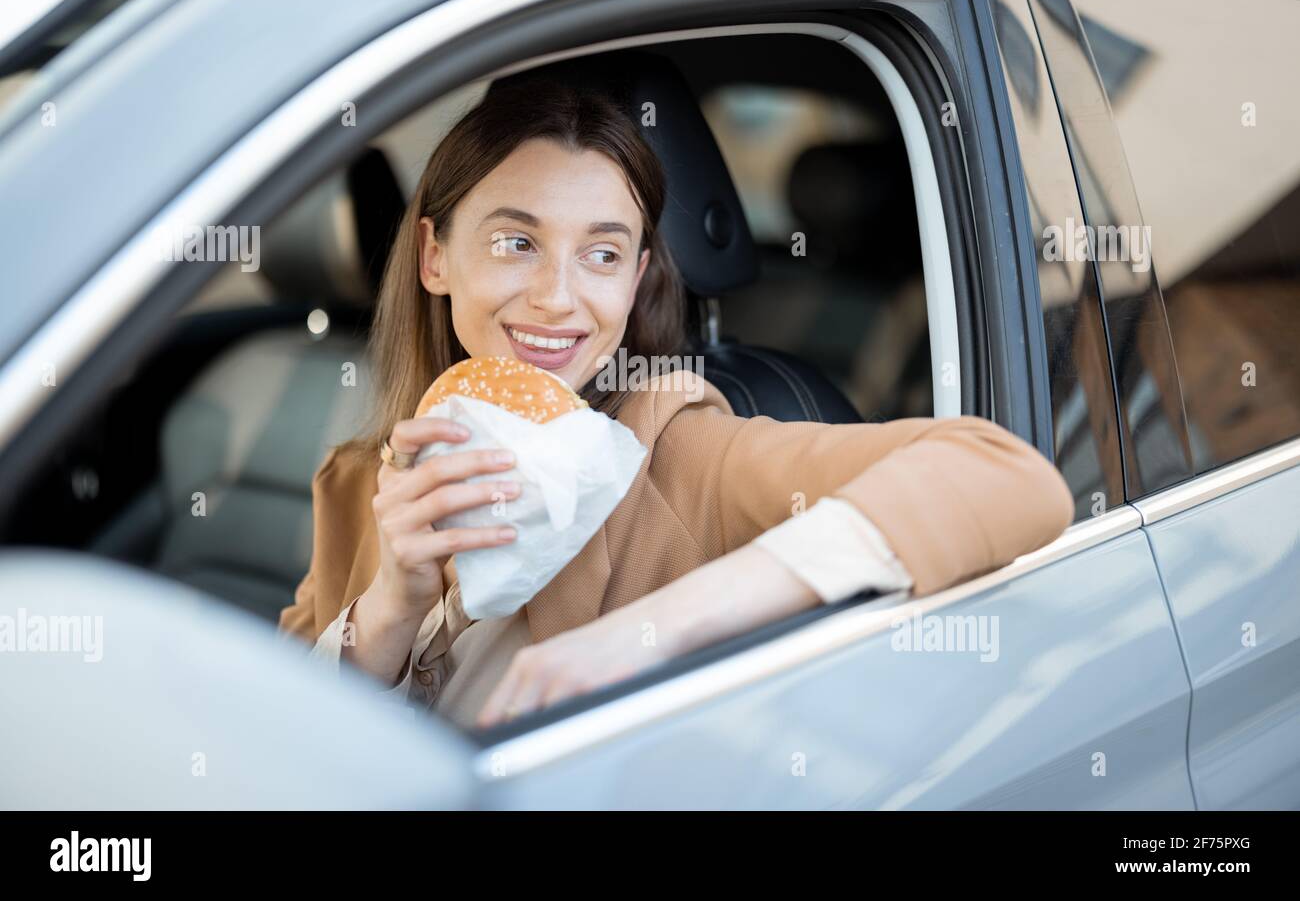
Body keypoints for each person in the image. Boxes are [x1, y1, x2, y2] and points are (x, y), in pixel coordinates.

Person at [279, 73, 1074, 730]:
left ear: (635, 278)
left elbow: (1008, 476)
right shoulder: (358, 481)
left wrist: (645, 635)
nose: (559, 298)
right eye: (517, 241)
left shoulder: (675, 450)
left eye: (602, 252)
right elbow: (273, 751)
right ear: (434, 256)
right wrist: (387, 611)